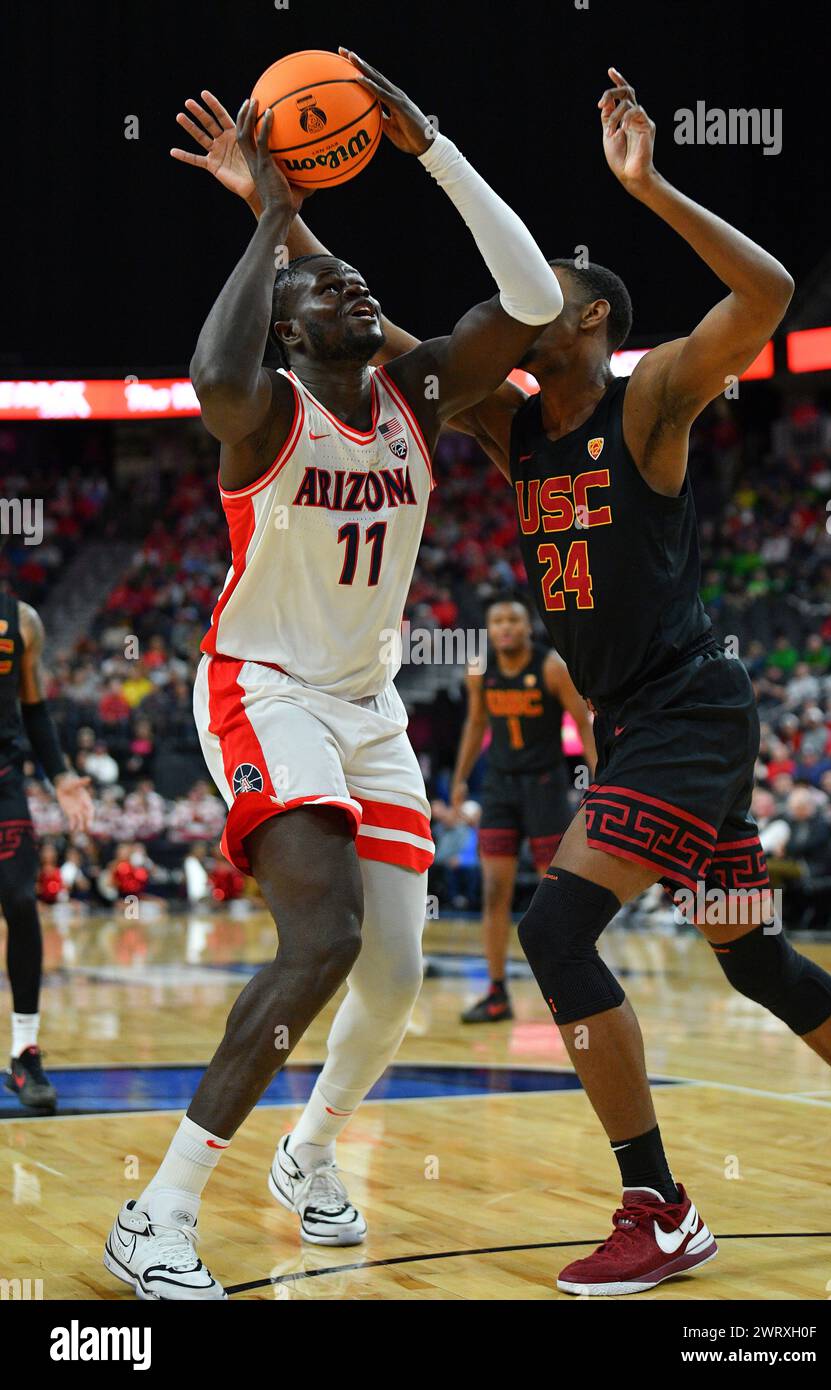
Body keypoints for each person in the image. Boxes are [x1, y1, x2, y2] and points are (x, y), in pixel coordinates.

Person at [193, 64, 831, 1298]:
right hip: (635, 727)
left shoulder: (650, 397)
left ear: (594, 322)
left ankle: (656, 1208)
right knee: (753, 956)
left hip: (686, 709)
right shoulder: (508, 428)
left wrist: (650, 186)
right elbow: (376, 335)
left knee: (557, 926)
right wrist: (273, 209)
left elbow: (762, 293)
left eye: (549, 299)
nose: (522, 313)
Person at [104, 54, 563, 1300]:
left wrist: (429, 143)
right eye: (330, 285)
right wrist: (266, 223)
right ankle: (158, 1210)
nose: (358, 286)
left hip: (365, 706)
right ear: (293, 326)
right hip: (261, 686)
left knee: (398, 972)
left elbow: (526, 294)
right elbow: (212, 374)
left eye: (362, 279)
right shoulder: (263, 412)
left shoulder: (417, 394)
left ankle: (308, 1154)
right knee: (323, 941)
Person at [451, 595, 595, 1021]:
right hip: (499, 788)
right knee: (495, 892)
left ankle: (575, 985)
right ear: (490, 629)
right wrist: (460, 778)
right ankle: (497, 993)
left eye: (513, 619)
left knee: (556, 893)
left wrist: (599, 775)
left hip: (545, 786)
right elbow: (476, 724)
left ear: (528, 626)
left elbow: (583, 722)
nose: (506, 627)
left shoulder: (551, 667)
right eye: (497, 620)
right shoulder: (480, 670)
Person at [0, 573, 93, 1111]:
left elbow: (33, 708)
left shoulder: (21, 621)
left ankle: (25, 1049)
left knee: (18, 900)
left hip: (4, 780)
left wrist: (59, 776)